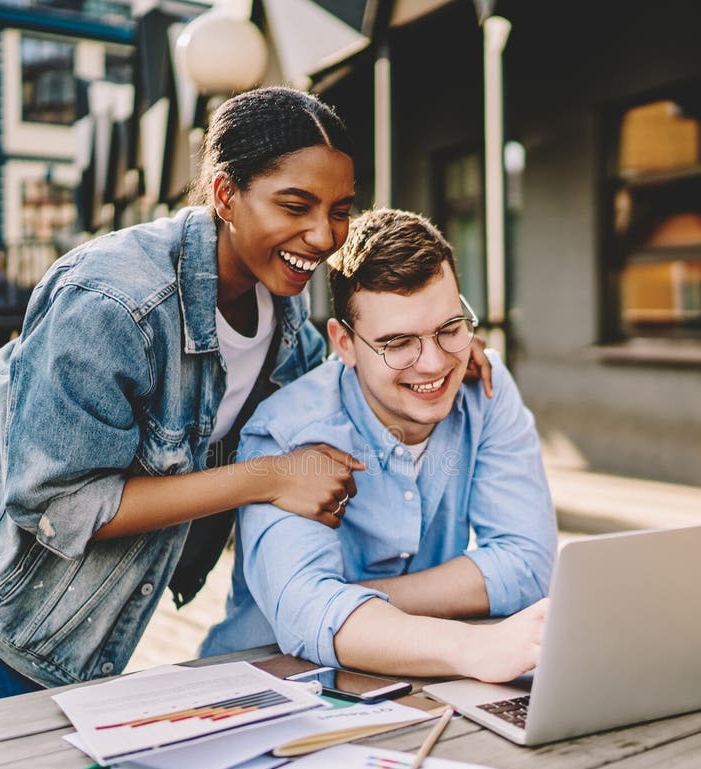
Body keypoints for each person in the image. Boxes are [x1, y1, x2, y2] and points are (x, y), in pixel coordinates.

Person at [0, 89, 491, 703]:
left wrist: (438, 349)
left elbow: (336, 396)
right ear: (225, 195)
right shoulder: (112, 302)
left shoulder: (288, 318)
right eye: (295, 205)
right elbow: (58, 505)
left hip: (89, 633)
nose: (324, 236)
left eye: (341, 209)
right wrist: (265, 477)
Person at [202, 208, 557, 683]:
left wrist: (350, 600)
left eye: (450, 329)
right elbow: (308, 612)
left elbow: (528, 565)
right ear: (344, 344)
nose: (432, 364)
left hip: (422, 680)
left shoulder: (485, 390)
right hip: (266, 682)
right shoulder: (287, 434)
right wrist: (472, 645)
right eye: (398, 342)